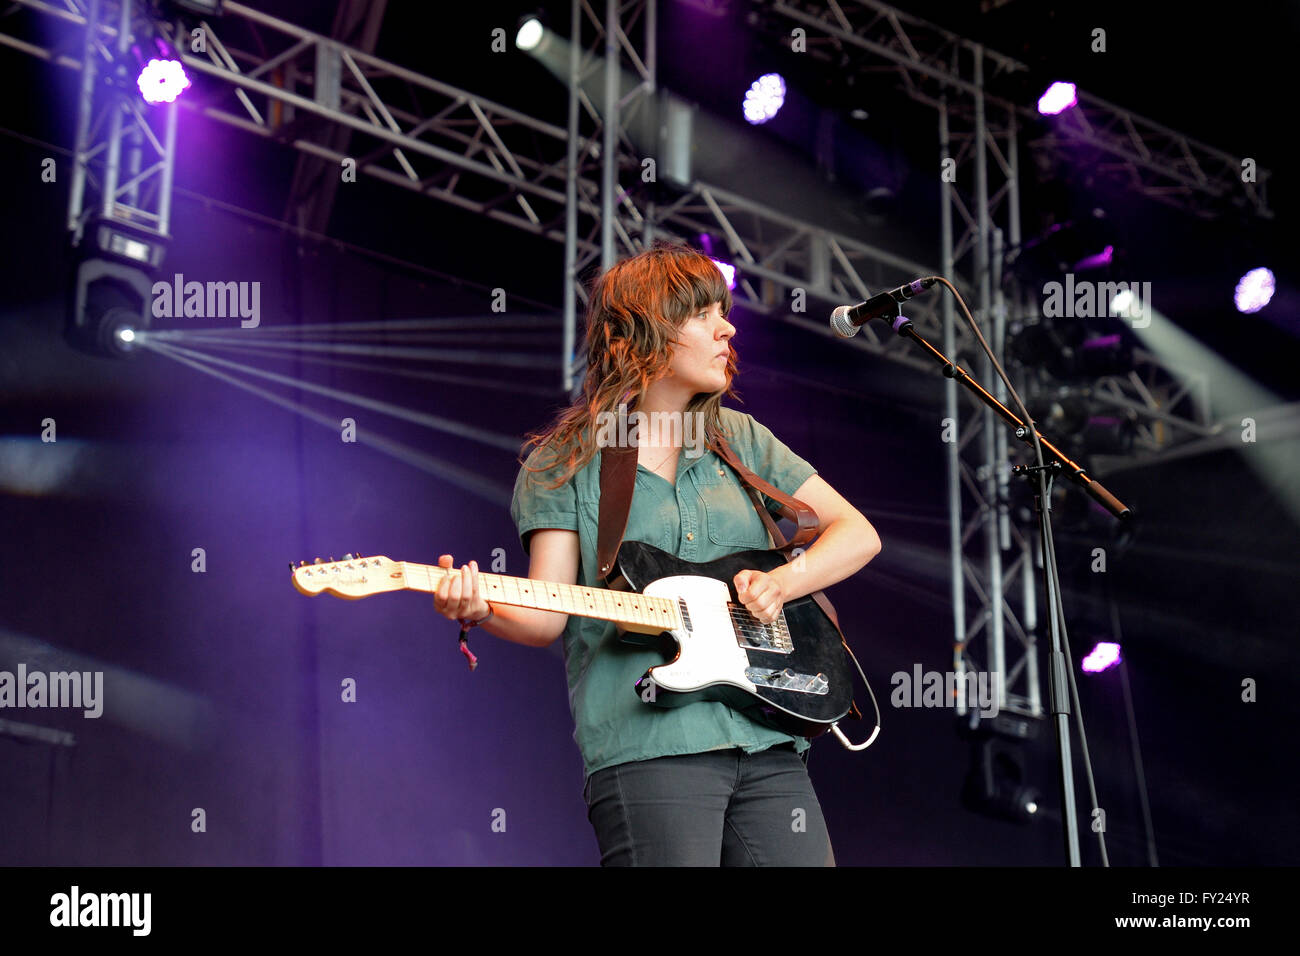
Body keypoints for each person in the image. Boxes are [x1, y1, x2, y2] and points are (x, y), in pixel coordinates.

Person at [432, 242, 881, 865]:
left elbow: (857, 533)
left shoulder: (739, 439)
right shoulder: (563, 464)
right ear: (645, 332)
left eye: (725, 314)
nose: (728, 329)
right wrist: (478, 608)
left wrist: (785, 582)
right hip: (650, 746)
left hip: (768, 737)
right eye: (704, 315)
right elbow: (546, 616)